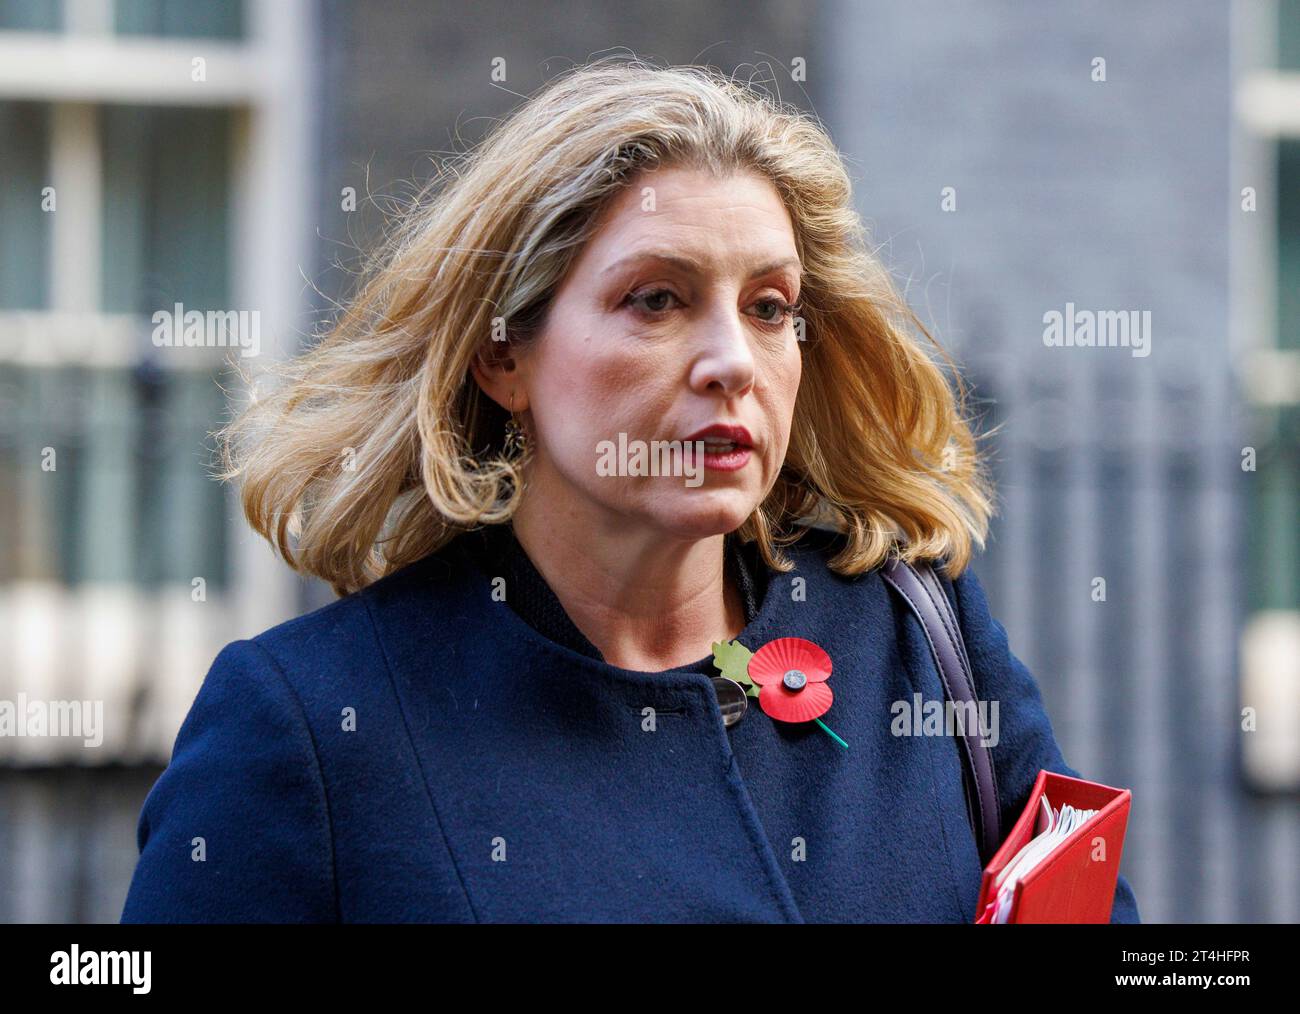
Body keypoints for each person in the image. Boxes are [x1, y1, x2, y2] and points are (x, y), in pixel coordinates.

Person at [120, 58, 1140, 923]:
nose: (730, 361)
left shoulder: (922, 635)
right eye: (656, 300)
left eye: (770, 306)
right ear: (500, 356)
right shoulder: (314, 724)